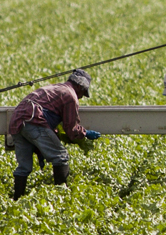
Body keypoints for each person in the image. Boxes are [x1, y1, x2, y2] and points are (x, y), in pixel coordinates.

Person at [7, 69, 101, 200]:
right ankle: (61, 196)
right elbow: (71, 128)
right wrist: (84, 133)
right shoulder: (70, 96)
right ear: (79, 86)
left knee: (24, 166)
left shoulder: (55, 87)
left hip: (17, 121)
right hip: (33, 120)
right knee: (60, 156)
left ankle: (16, 199)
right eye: (83, 92)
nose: (81, 96)